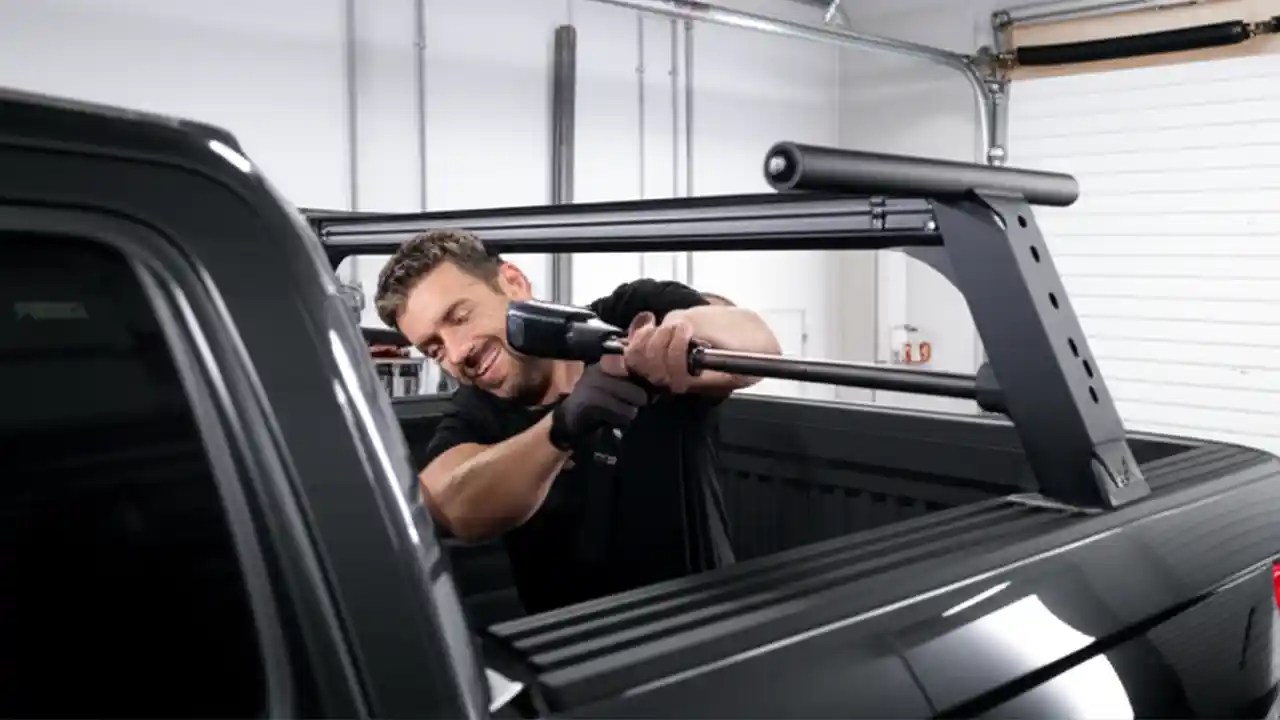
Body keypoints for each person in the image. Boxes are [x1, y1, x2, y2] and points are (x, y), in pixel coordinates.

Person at [374, 229, 781, 614]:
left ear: (513, 282)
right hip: (574, 648)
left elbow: (754, 340)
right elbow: (451, 506)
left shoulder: (624, 316)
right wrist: (561, 427)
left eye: (460, 317)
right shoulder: (475, 411)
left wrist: (679, 336)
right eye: (434, 349)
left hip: (702, 619)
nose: (456, 353)